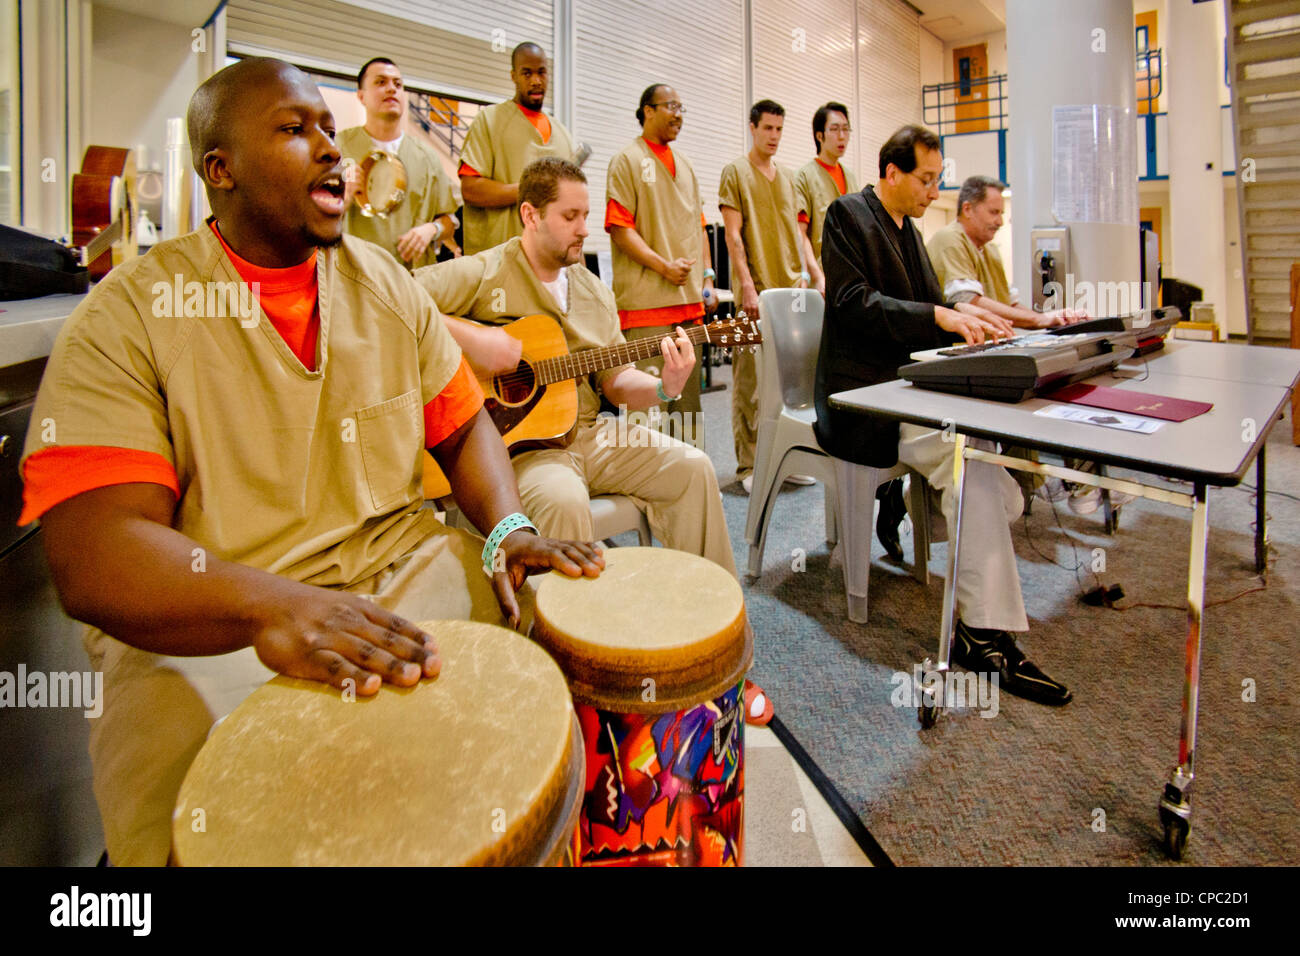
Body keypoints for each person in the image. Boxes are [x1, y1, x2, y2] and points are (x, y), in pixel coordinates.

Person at [17, 58, 604, 866]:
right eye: (296, 132)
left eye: (330, 130)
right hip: (214, 623)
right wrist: (272, 608)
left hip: (403, 571)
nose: (332, 149)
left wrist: (506, 526)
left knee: (556, 684)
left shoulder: (386, 287)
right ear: (219, 170)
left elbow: (463, 426)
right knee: (194, 828)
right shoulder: (127, 318)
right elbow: (91, 551)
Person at [813, 124, 1072, 707]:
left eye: (938, 180)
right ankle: (982, 637)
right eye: (927, 180)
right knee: (975, 470)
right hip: (862, 401)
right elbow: (852, 304)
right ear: (892, 173)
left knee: (988, 474)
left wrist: (975, 318)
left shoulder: (909, 230)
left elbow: (936, 301)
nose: (935, 192)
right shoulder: (846, 215)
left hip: (903, 392)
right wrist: (939, 316)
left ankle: (975, 611)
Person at [415, 157, 736, 577]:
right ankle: (564, 638)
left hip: (589, 432)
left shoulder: (592, 289)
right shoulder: (485, 271)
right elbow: (395, 298)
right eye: (571, 216)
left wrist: (664, 387)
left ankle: (709, 615)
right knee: (563, 502)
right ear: (530, 215)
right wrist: (478, 341)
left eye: (586, 215)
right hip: (519, 450)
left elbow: (616, 380)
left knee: (694, 467)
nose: (585, 228)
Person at [927, 175, 1117, 515]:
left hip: (1000, 353)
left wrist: (1053, 317)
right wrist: (1040, 321)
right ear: (967, 209)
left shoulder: (990, 250)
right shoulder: (949, 240)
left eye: (1001, 213)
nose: (1000, 221)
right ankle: (1054, 483)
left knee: (1069, 376)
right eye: (994, 212)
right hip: (966, 362)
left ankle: (1051, 482)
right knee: (1044, 387)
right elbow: (970, 300)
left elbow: (1013, 308)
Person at [604, 83, 715, 447]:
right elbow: (621, 230)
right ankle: (646, 495)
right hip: (646, 306)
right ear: (647, 111)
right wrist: (663, 266)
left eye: (682, 107)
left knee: (688, 406)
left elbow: (699, 227)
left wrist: (708, 275)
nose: (678, 114)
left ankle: (690, 482)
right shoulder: (627, 161)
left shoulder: (685, 165)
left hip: (688, 304)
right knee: (648, 407)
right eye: (670, 106)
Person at [719, 99, 819, 493]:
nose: (774, 136)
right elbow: (732, 235)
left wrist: (805, 274)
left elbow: (796, 233)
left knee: (789, 381)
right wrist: (745, 283)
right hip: (755, 292)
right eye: (767, 129)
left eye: (779, 129)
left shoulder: (791, 177)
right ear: (752, 128)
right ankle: (748, 466)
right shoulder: (735, 173)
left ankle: (786, 458)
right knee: (750, 383)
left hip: (788, 291)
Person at [337, 56, 460, 269]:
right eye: (380, 82)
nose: (391, 89)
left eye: (398, 84)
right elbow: (308, 221)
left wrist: (431, 230)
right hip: (355, 278)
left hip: (411, 281)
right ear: (361, 96)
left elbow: (449, 222)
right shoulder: (338, 149)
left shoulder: (427, 157)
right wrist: (345, 197)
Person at [458, 42, 576, 255]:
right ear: (513, 76)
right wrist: (530, 189)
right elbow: (470, 189)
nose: (536, 81)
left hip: (552, 263)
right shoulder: (490, 121)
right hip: (503, 262)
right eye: (526, 73)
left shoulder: (563, 136)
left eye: (541, 72)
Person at [794, 101, 858, 281]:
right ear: (819, 135)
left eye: (846, 129)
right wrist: (817, 276)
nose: (842, 136)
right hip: (822, 278)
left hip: (852, 277)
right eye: (835, 129)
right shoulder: (804, 176)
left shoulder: (851, 177)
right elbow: (800, 234)